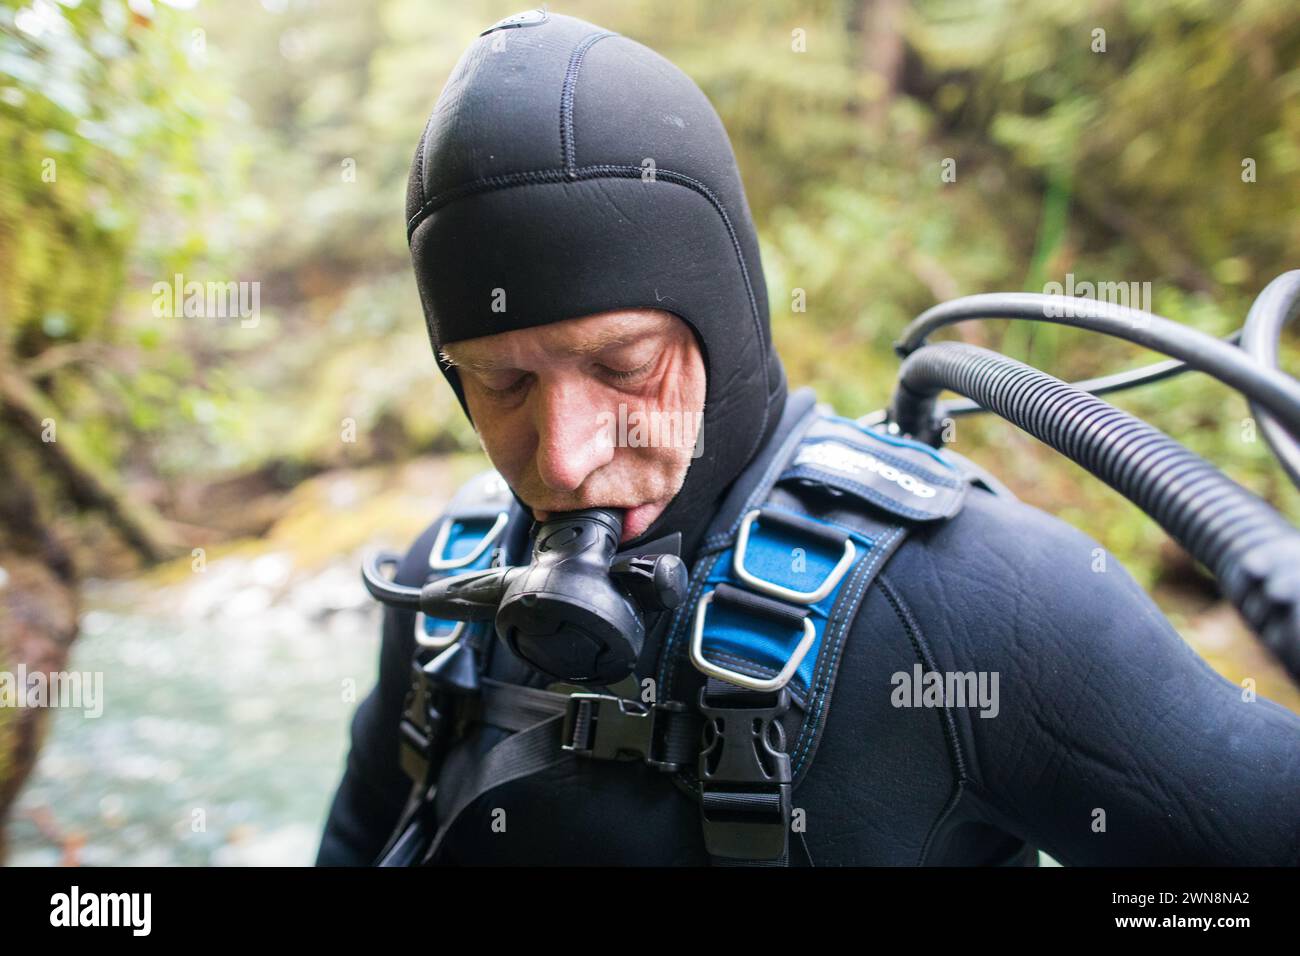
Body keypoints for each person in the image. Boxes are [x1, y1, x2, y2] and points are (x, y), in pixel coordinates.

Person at [316, 9, 1300, 866]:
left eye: (621, 365)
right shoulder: (441, 595)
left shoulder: (979, 605)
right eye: (502, 382)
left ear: (727, 324)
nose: (563, 455)